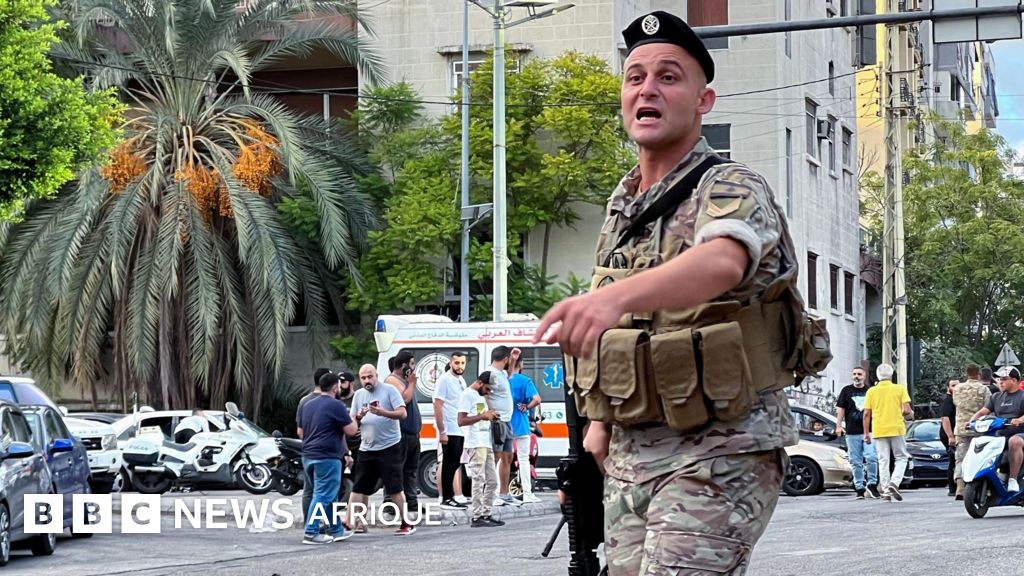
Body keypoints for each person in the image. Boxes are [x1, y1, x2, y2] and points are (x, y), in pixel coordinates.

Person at [532, 11, 813, 575]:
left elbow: (723, 260)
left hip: (722, 449)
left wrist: (614, 299)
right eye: (635, 77)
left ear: (704, 101)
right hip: (631, 453)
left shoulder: (730, 184)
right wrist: (600, 424)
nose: (647, 90)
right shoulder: (622, 204)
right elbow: (626, 330)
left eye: (668, 77)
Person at [347, 364, 415, 536]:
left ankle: (406, 522)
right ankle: (349, 522)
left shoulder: (389, 390)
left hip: (389, 446)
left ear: (376, 375)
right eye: (363, 378)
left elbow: (402, 413)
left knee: (394, 487)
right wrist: (358, 418)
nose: (367, 381)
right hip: (366, 447)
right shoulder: (359, 395)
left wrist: (382, 412)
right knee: (358, 487)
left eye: (370, 377)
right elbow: (352, 420)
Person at [297, 372, 358, 545]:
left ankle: (336, 530)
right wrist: (355, 418)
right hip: (327, 457)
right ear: (335, 387)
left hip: (308, 456)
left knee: (328, 495)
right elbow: (351, 431)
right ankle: (311, 532)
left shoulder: (307, 404)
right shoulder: (336, 405)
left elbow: (301, 431)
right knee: (323, 494)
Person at [457, 371, 504, 528]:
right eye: (487, 389)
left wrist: (491, 414)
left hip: (486, 442)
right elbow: (461, 420)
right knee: (478, 480)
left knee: (492, 481)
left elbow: (487, 412)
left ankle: (486, 513)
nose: (488, 392)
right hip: (475, 442)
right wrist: (482, 417)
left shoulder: (482, 396)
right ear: (480, 383)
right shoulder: (467, 395)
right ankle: (477, 516)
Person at [968, 366, 1024, 492]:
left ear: (1014, 380)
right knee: (981, 442)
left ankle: (1013, 479)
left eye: (1004, 379)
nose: (1000, 382)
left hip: (1020, 433)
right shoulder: (996, 397)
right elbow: (982, 412)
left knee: (1014, 441)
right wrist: (971, 422)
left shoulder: (1022, 396)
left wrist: (1019, 420)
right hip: (999, 435)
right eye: (999, 379)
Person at [863, 363, 912, 502]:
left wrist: (866, 433)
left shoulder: (871, 391)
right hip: (896, 428)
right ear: (891, 375)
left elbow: (866, 414)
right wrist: (899, 413)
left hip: (879, 429)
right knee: (901, 457)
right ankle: (894, 483)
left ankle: (885, 492)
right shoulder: (899, 389)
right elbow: (907, 410)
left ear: (877, 376)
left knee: (883, 460)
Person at [384, 351, 422, 520]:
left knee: (410, 471)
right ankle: (391, 506)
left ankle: (411, 504)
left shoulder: (405, 382)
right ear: (405, 365)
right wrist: (412, 383)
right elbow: (404, 400)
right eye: (412, 364)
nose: (414, 368)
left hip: (412, 434)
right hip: (400, 434)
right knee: (396, 471)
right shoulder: (392, 381)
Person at [835, 367, 880, 499]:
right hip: (852, 432)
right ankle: (859, 487)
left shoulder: (870, 391)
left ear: (864, 376)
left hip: (869, 431)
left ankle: (872, 484)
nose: (856, 376)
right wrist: (838, 426)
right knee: (855, 461)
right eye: (854, 374)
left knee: (871, 457)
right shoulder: (846, 391)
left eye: (859, 374)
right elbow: (841, 409)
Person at [433, 352, 469, 509]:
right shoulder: (444, 380)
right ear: (450, 363)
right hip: (449, 428)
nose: (460, 366)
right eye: (457, 363)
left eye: (462, 363)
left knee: (455, 464)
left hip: (460, 428)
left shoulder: (461, 380)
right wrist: (442, 431)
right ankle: (446, 498)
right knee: (448, 464)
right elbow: (437, 405)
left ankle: (452, 496)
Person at [486, 346, 520, 507]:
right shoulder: (490, 374)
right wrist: (489, 410)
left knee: (508, 457)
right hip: (497, 422)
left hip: (507, 421)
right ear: (504, 359)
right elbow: (482, 391)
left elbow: (510, 373)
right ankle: (490, 494)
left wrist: (513, 359)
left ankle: (504, 493)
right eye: (508, 360)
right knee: (495, 457)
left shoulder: (501, 373)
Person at [298, 367, 333, 521]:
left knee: (308, 489)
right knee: (325, 490)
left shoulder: (304, 401)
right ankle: (322, 522)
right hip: (326, 453)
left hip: (307, 452)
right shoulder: (331, 401)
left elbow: (300, 431)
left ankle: (309, 521)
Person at [952, 365, 991, 500]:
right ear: (979, 374)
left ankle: (960, 487)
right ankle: (976, 485)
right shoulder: (983, 389)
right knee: (979, 458)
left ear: (966, 374)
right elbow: (988, 407)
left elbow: (955, 403)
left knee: (960, 458)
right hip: (979, 428)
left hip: (961, 429)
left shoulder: (957, 389)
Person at [510, 355, 542, 504]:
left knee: (502, 460)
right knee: (523, 459)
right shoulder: (525, 381)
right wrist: (526, 407)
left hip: (504, 425)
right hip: (521, 426)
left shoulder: (502, 380)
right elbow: (537, 399)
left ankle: (499, 493)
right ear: (521, 364)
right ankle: (527, 494)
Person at [939, 379, 958, 496]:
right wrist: (950, 436)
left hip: (954, 433)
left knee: (955, 460)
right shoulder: (948, 400)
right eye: (953, 385)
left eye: (958, 385)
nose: (956, 387)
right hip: (949, 434)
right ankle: (952, 488)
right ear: (948, 388)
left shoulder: (956, 399)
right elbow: (945, 418)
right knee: (953, 459)